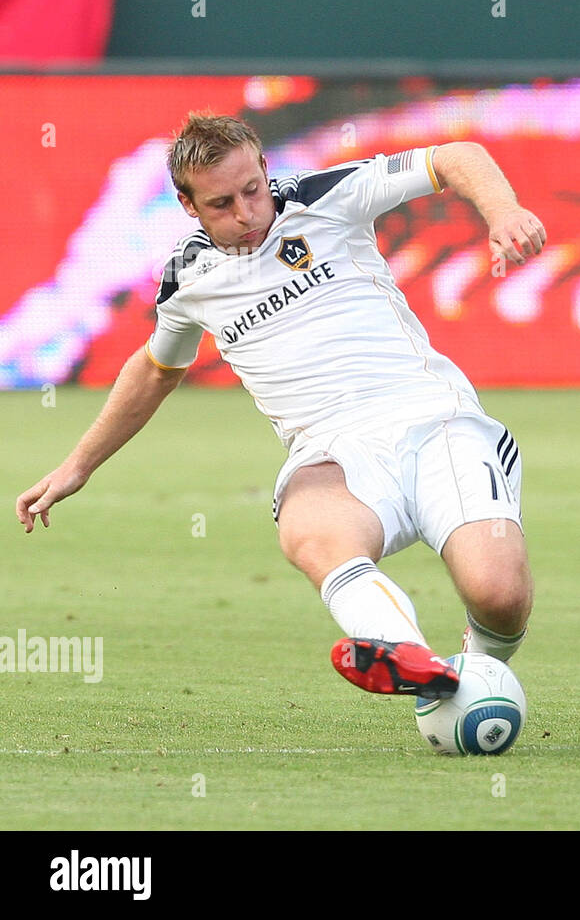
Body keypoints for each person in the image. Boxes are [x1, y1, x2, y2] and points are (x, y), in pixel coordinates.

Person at [16, 113, 546, 700]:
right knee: (307, 530)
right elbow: (154, 369)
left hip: (435, 420)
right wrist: (77, 466)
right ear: (188, 206)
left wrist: (503, 212)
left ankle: (483, 667)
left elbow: (457, 155)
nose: (246, 214)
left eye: (252, 190)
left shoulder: (327, 198)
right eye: (221, 203)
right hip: (331, 452)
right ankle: (408, 657)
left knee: (499, 595)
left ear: (266, 169)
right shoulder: (188, 278)